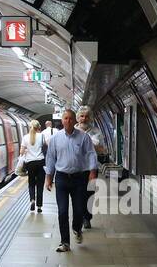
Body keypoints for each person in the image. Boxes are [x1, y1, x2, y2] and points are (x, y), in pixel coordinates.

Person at [44, 108, 98, 252]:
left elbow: (91, 154)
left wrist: (92, 172)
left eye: (70, 118)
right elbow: (50, 158)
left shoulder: (83, 137)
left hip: (79, 178)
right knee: (62, 211)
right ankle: (65, 242)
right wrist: (48, 178)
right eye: (65, 118)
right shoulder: (55, 139)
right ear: (62, 121)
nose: (68, 121)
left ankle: (77, 228)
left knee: (79, 209)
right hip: (61, 178)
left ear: (75, 121)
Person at [76, 105, 107, 229]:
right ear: (78, 117)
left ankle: (87, 218)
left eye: (86, 116)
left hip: (91, 168)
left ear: (90, 118)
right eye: (82, 116)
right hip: (76, 168)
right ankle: (79, 216)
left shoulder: (96, 131)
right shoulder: (72, 130)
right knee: (77, 194)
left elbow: (100, 148)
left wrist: (84, 140)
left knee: (89, 193)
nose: (84, 119)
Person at [20, 120, 47, 212]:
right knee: (40, 185)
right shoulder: (42, 136)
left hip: (30, 164)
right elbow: (45, 147)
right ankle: (39, 207)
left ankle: (32, 200)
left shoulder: (25, 137)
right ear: (38, 127)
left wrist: (27, 151)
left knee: (31, 184)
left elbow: (21, 152)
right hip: (40, 162)